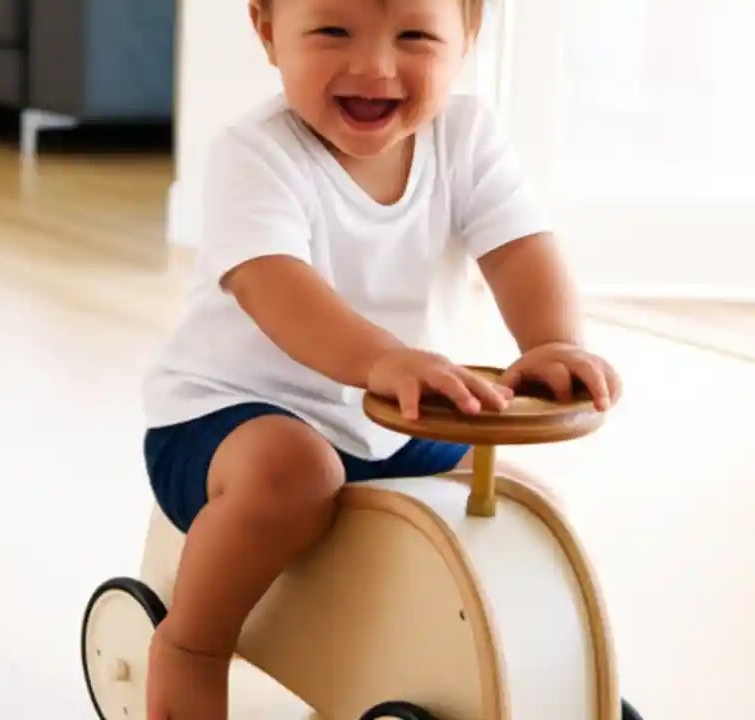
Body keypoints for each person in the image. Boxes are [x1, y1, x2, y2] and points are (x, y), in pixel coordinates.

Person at [139, 0, 623, 716]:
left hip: (390, 417)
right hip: (229, 417)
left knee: (525, 508)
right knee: (295, 469)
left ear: (468, 38)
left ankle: (534, 688)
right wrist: (382, 359)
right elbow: (273, 283)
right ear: (268, 30)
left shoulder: (468, 137)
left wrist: (551, 342)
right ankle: (192, 645)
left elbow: (520, 247)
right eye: (334, 30)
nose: (374, 66)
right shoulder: (256, 154)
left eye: (416, 36)